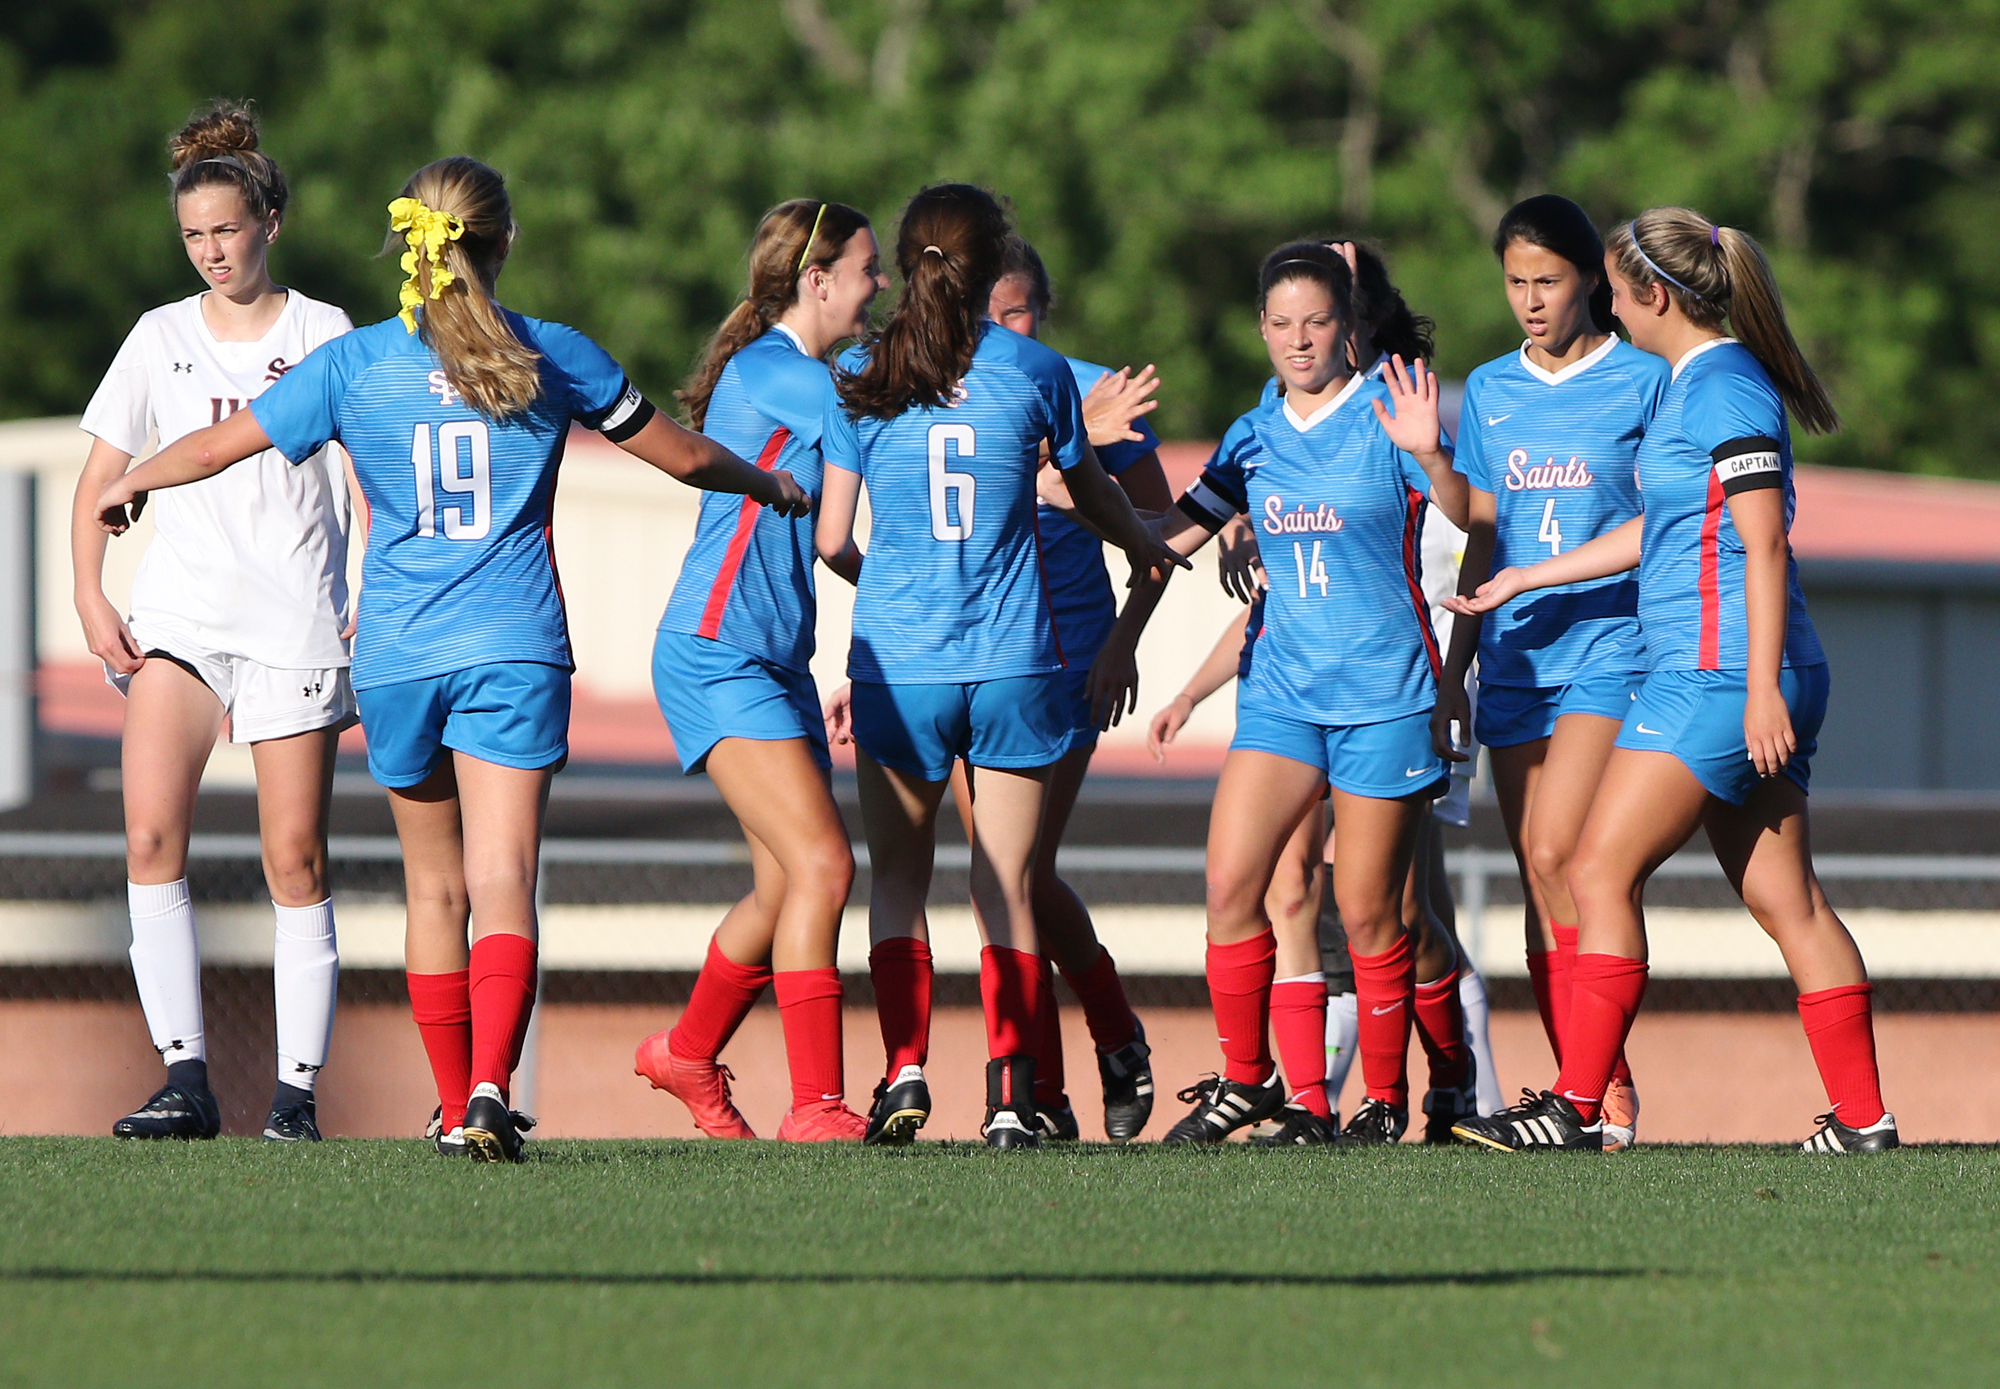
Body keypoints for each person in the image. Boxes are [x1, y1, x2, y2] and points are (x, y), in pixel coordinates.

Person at [96, 156, 808, 1162]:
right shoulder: (551, 354)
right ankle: (486, 1090)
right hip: (514, 648)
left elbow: (220, 447)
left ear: (405, 247)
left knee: (434, 891)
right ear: (502, 241)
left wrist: (122, 485)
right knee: (503, 878)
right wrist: (768, 483)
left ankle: (447, 1101)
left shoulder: (355, 365)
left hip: (398, 657)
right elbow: (687, 458)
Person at [1448, 208, 1896, 1154]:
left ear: (1653, 296)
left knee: (1593, 868)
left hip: (1720, 677)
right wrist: (1531, 572)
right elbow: (1662, 530)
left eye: (1612, 287)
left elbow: (1764, 539)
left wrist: (1763, 686)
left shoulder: (1721, 385)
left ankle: (1575, 1107)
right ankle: (1863, 1119)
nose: (1606, 302)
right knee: (1787, 900)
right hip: (1738, 676)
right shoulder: (1699, 383)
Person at [813, 184, 1181, 1150]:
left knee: (896, 878)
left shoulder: (861, 369)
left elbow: (835, 537)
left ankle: (903, 1072)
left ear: (905, 262)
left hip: (902, 661)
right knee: (1008, 881)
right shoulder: (1037, 371)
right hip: (1017, 658)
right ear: (991, 273)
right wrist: (1148, 550)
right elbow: (1097, 495)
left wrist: (896, 583)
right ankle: (1015, 1094)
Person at [1103, 240, 1469, 1146]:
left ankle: (1383, 1099)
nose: (1298, 340)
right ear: (1260, 329)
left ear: (1348, 327)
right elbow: (1167, 536)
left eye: (1316, 321)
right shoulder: (1255, 429)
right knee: (1235, 881)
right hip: (1282, 694)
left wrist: (1434, 460)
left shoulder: (1392, 413)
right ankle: (1261, 1081)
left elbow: (1472, 522)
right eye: (1280, 323)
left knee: (1372, 911)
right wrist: (1083, 466)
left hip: (1385, 694)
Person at [73, 103, 355, 1143]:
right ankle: (185, 1078)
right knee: (149, 838)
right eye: (194, 237)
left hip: (293, 622)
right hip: (183, 623)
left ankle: (293, 1096)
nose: (211, 252)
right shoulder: (158, 337)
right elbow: (99, 482)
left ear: (270, 221)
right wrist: (91, 595)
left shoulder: (325, 334)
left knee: (296, 860)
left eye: (226, 232)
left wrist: (368, 591)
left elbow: (366, 479)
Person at [631, 200, 887, 1143]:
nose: (881, 285)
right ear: (817, 280)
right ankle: (816, 1106)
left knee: (787, 887)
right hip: (716, 650)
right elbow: (896, 416)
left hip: (773, 657)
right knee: (826, 864)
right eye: (868, 267)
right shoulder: (779, 373)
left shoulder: (808, 376)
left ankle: (687, 1051)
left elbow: (833, 541)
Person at [1431, 195, 1667, 1149]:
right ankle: (1593, 1081)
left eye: (1548, 281)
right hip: (1515, 652)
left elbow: (1667, 520)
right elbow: (1480, 537)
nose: (1530, 300)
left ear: (1592, 284)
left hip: (1611, 647)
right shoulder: (1489, 389)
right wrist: (1457, 668)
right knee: (1539, 871)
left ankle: (1588, 1092)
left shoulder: (1646, 382)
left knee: (1566, 851)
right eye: (1516, 282)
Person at [961, 235, 1166, 1143]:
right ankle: (1072, 1067)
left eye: (1017, 313)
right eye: (986, 314)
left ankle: (1064, 1068)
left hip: (1066, 655)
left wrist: (1122, 643)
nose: (1002, 330)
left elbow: (1161, 528)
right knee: (1002, 881)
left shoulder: (1091, 387)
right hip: (963, 654)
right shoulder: (939, 385)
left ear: (1042, 308)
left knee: (1019, 873)